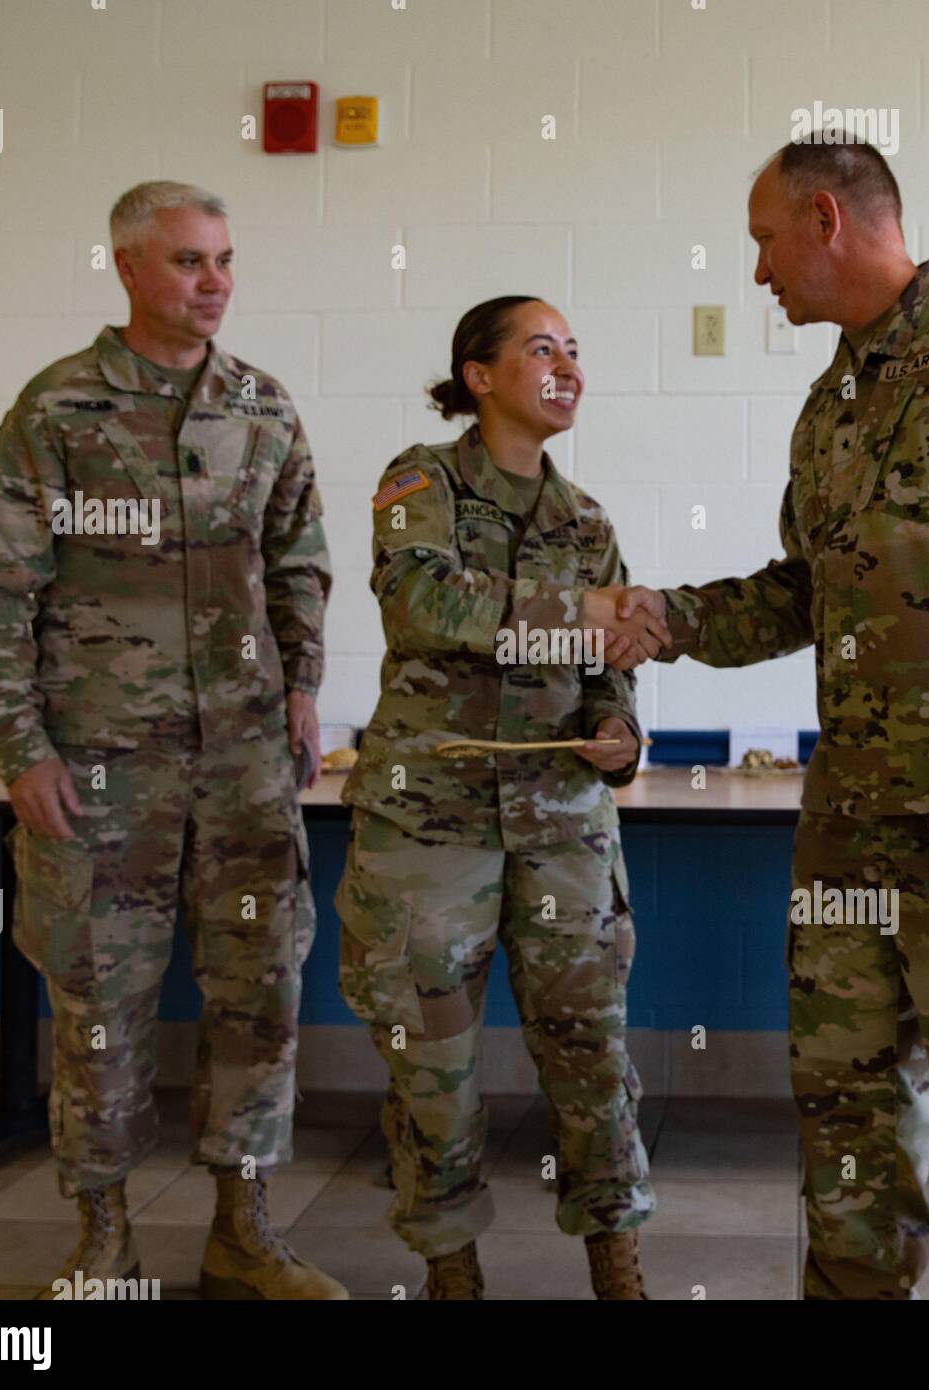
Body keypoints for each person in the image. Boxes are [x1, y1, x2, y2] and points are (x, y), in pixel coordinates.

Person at [604, 140, 929, 1300]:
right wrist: (669, 617)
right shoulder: (832, 401)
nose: (754, 273)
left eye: (760, 239)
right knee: (848, 1143)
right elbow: (809, 589)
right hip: (851, 832)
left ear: (826, 218)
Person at [0, 181, 344, 1300]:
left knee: (259, 992)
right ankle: (103, 1239)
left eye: (223, 260)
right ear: (126, 268)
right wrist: (18, 744)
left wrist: (304, 687)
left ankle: (243, 1228)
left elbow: (299, 561)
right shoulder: (57, 412)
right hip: (96, 769)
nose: (212, 282)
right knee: (98, 1007)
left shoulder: (261, 409)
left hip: (244, 769)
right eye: (186, 262)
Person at [336, 296, 667, 1299]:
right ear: (479, 375)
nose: (565, 363)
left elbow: (613, 671)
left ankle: (617, 1260)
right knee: (432, 1068)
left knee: (592, 1056)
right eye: (540, 348)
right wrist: (584, 610)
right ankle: (451, 1269)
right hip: (429, 824)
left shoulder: (587, 521)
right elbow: (423, 601)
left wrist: (620, 737)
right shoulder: (420, 480)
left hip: (563, 823)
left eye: (575, 348)